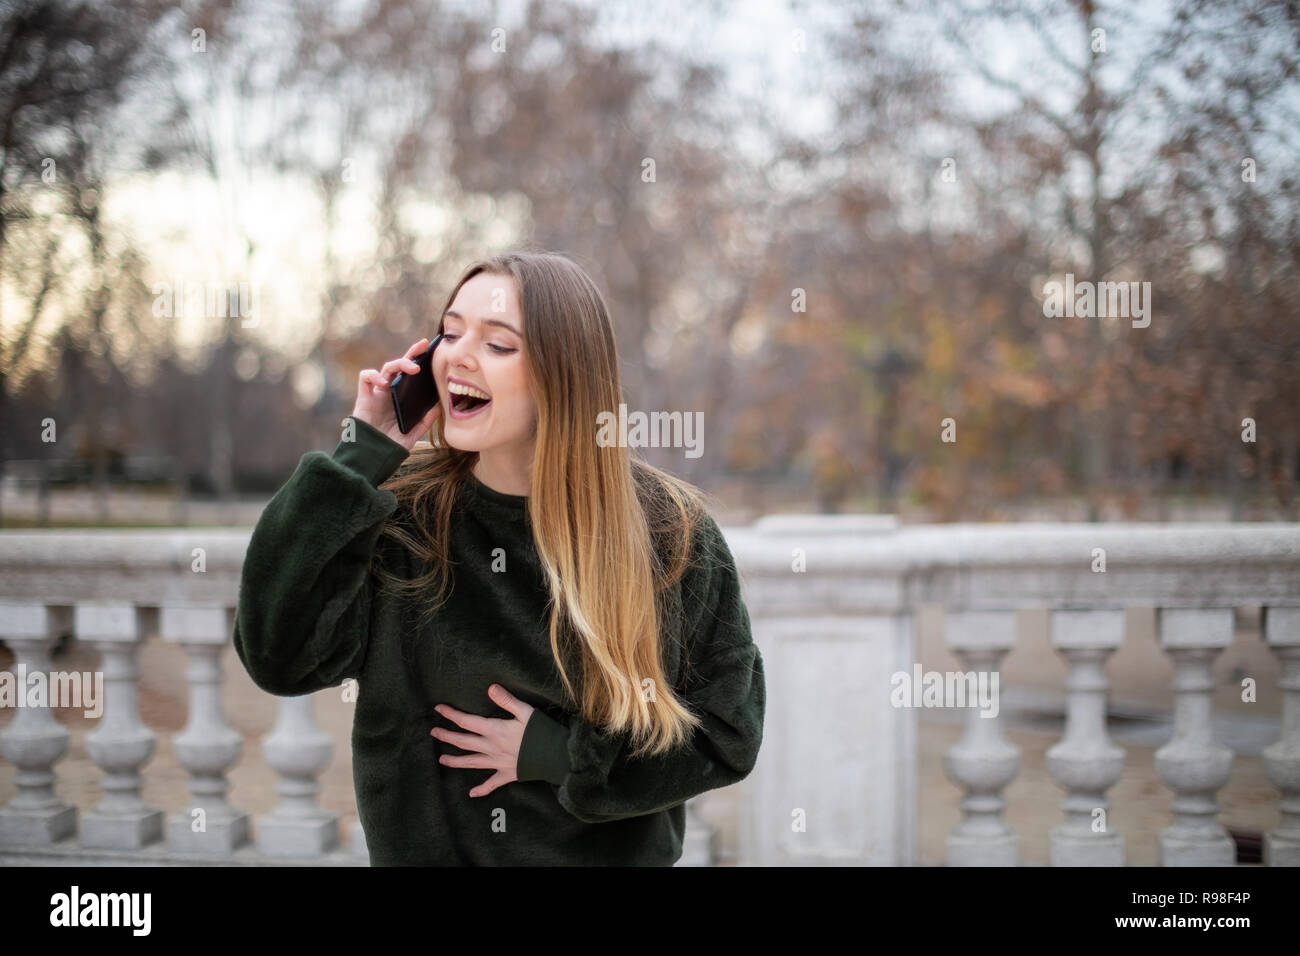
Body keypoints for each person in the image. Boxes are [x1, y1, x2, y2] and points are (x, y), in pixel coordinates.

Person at [233, 249, 765, 865]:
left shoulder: (670, 531)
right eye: (451, 332)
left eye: (499, 344)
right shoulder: (398, 515)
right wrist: (359, 454)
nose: (457, 354)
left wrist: (564, 757)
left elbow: (728, 735)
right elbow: (278, 656)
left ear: (564, 374)